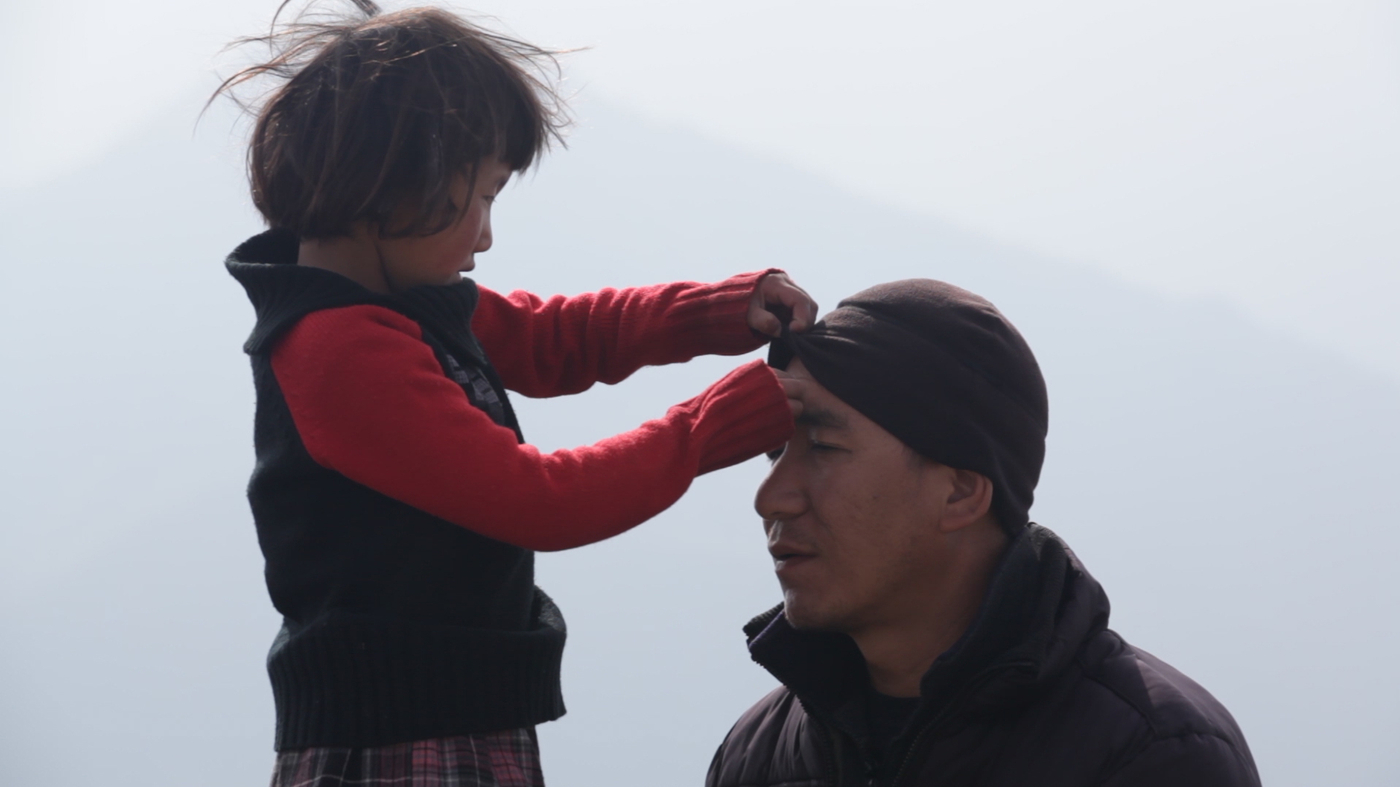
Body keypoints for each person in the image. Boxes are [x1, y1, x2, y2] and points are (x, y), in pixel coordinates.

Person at [214, 3, 815, 785]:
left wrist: (714, 309)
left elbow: (553, 337)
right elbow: (542, 500)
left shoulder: (399, 306)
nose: (487, 236)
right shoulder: (335, 350)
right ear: (397, 182)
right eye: (482, 197)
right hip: (397, 741)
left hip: (457, 718)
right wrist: (707, 428)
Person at [707, 280, 1261, 787]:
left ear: (962, 492)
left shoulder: (1153, 755)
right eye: (775, 452)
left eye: (824, 448)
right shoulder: (759, 757)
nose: (770, 497)